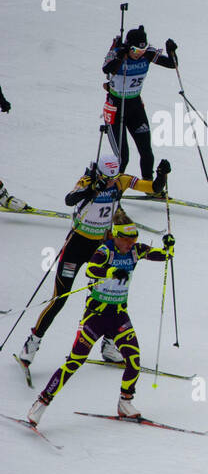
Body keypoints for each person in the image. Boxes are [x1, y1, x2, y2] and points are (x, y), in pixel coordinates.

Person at [19, 153, 169, 367]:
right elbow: (69, 199)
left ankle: (109, 345)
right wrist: (91, 189)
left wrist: (161, 175)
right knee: (60, 298)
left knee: (109, 297)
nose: (111, 182)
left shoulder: (122, 180)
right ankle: (32, 343)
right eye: (107, 177)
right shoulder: (87, 180)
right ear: (98, 172)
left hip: (101, 246)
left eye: (113, 177)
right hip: (76, 246)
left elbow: (153, 188)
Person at [26, 222, 175, 425]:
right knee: (74, 362)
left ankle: (125, 402)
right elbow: (92, 270)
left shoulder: (135, 251)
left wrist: (169, 247)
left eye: (134, 240)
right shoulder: (105, 251)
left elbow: (164, 256)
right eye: (127, 240)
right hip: (95, 317)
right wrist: (111, 272)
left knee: (134, 359)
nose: (131, 244)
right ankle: (41, 404)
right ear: (116, 237)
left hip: (119, 316)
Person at [102, 26, 177, 180]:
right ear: (129, 47)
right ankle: (113, 189)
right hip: (115, 109)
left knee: (146, 151)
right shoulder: (117, 53)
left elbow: (172, 64)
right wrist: (119, 57)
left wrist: (171, 51)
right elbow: (106, 69)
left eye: (142, 50)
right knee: (123, 157)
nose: (139, 54)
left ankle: (149, 186)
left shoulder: (147, 55)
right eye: (135, 50)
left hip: (135, 107)